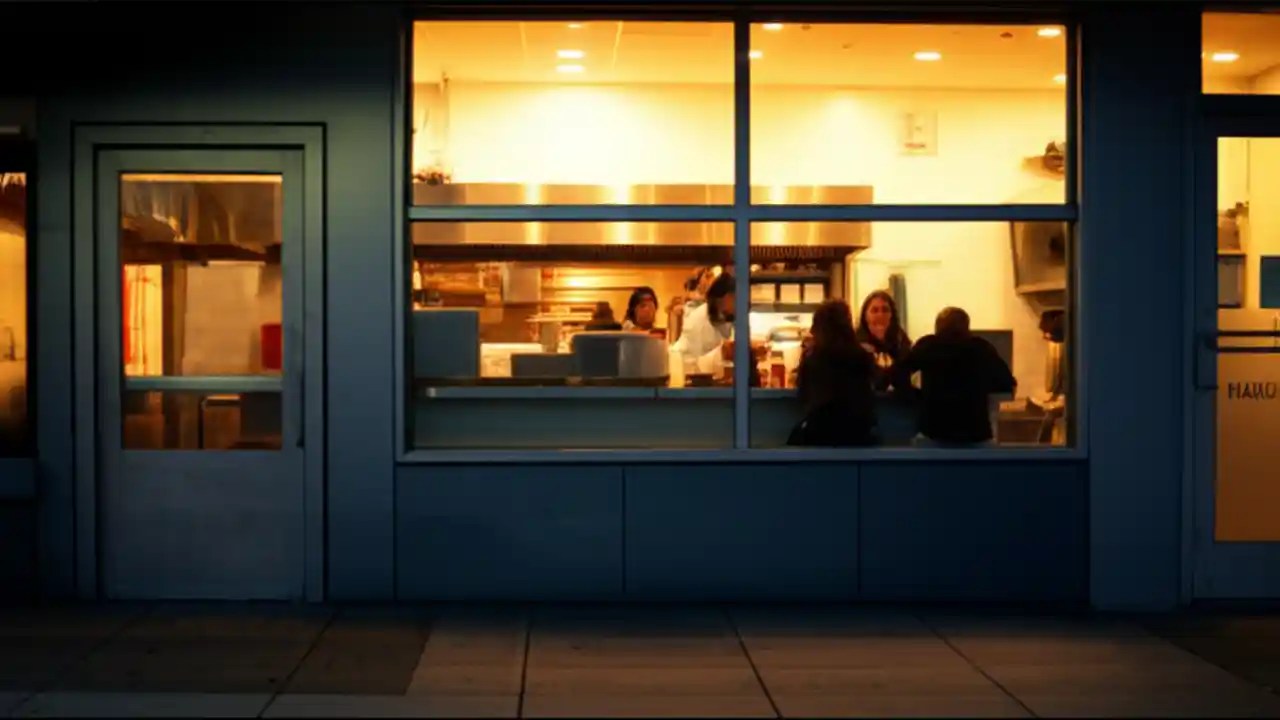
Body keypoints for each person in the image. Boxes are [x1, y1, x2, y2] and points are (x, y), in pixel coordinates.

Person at [891, 306, 1016, 445]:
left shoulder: (928, 346)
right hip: (974, 432)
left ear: (937, 327)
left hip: (934, 431)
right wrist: (981, 387)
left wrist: (916, 395)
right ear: (967, 328)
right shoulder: (981, 349)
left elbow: (897, 374)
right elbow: (1006, 383)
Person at [787, 300, 878, 447]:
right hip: (858, 435)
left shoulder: (813, 359)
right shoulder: (862, 357)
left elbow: (803, 396)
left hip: (820, 433)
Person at [672, 272, 736, 371]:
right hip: (682, 370)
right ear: (727, 297)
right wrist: (723, 352)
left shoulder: (725, 317)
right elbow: (697, 365)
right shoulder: (700, 319)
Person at [856, 290, 913, 392]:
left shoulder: (901, 342)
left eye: (885, 310)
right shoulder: (855, 347)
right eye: (874, 310)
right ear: (865, 317)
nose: (880, 315)